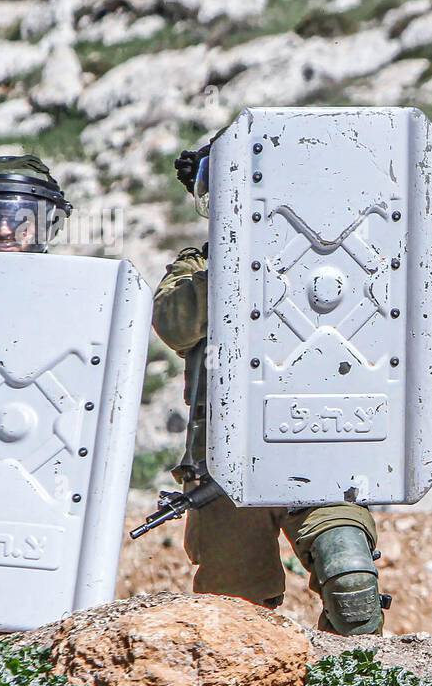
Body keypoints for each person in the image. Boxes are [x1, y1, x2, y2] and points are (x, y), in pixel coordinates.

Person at [150, 139, 386, 635]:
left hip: (318, 445)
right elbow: (174, 325)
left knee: (352, 587)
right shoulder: (197, 267)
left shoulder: (332, 261)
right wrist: (239, 266)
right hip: (226, 465)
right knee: (234, 622)